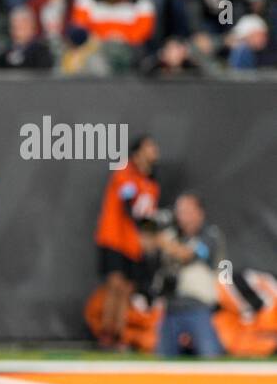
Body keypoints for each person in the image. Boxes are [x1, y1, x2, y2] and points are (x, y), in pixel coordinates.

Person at [93, 136, 160, 349]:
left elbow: (148, 215)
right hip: (114, 237)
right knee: (115, 285)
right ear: (138, 151)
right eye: (150, 147)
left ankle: (119, 335)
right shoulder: (125, 172)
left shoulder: (151, 184)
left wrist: (148, 236)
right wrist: (144, 232)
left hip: (133, 245)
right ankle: (106, 333)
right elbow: (128, 205)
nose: (154, 151)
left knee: (127, 289)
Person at [153, 193, 226, 358]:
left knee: (210, 357)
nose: (182, 216)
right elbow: (146, 247)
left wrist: (164, 243)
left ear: (199, 212)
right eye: (179, 211)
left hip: (198, 308)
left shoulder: (210, 235)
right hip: (171, 307)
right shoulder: (172, 234)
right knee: (162, 362)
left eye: (187, 211)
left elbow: (188, 255)